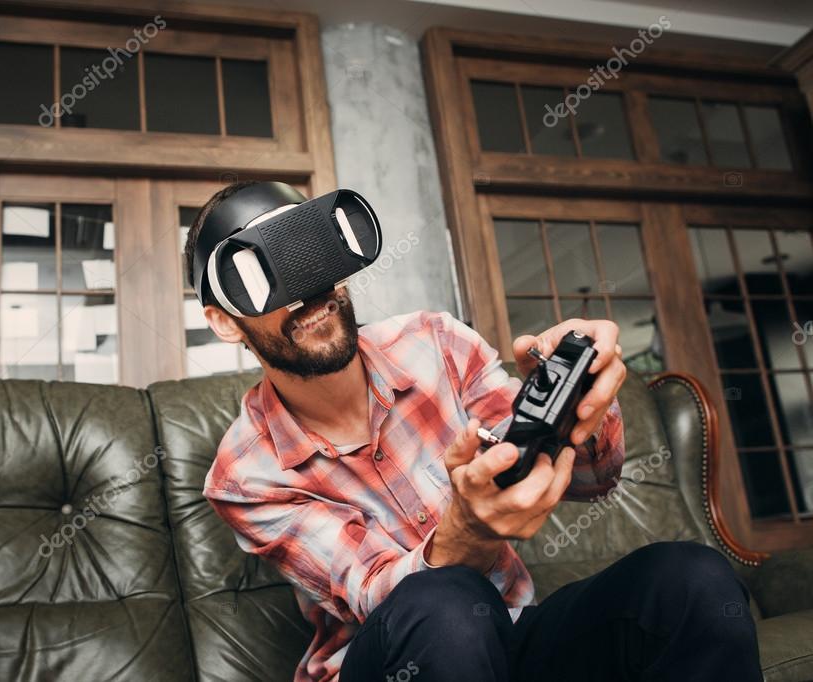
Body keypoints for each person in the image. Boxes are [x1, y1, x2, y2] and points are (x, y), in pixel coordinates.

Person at [188, 181, 762, 682]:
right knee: (446, 604)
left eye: (310, 252)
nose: (308, 290)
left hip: (511, 638)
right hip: (392, 659)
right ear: (225, 321)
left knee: (692, 581)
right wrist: (466, 531)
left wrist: (579, 406)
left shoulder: (434, 342)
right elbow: (374, 593)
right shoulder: (245, 476)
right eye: (265, 273)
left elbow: (594, 478)